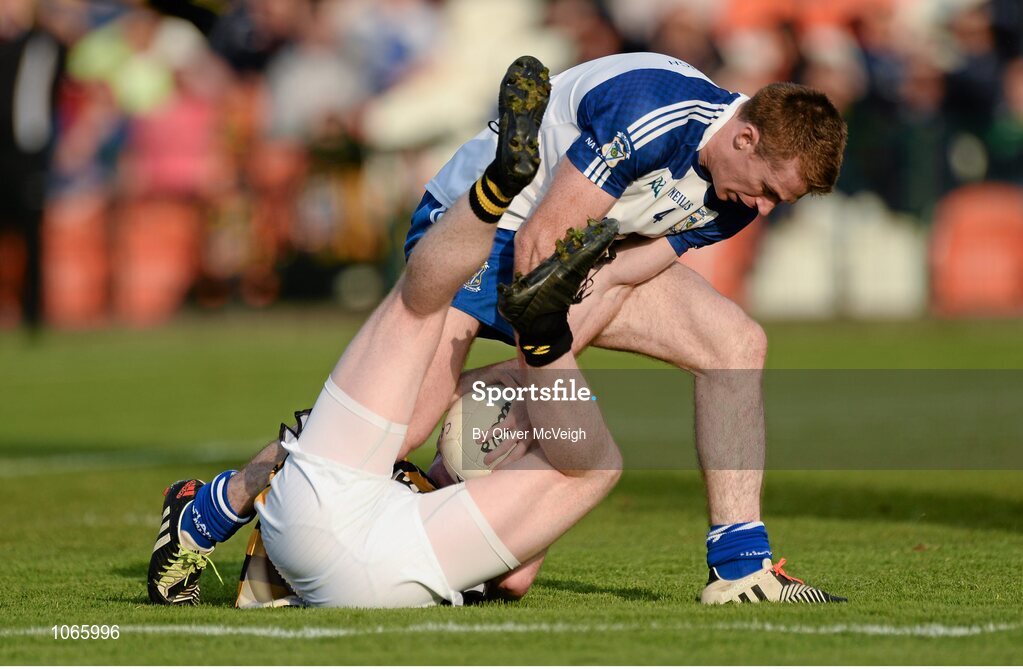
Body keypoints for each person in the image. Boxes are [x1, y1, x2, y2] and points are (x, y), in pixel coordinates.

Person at [149, 56, 626, 607]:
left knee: (415, 311)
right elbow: (515, 579)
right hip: (385, 564)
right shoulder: (538, 468)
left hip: (322, 517)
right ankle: (223, 517)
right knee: (582, 462)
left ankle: (494, 189)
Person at [400, 52, 849, 604]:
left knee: (734, 343)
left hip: (575, 259)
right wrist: (529, 387)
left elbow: (613, 276)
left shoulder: (734, 199)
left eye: (780, 201)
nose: (762, 209)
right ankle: (278, 512)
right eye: (768, 190)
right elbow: (541, 245)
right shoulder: (654, 114)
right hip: (479, 227)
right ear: (746, 139)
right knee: (408, 422)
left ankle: (740, 569)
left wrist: (521, 386)